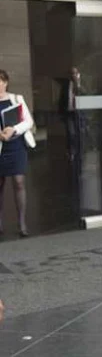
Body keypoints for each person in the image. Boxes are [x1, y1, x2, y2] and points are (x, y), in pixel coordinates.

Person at [0, 70, 34, 238]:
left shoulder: (16, 99)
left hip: (16, 144)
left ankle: (22, 223)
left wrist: (13, 129)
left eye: (1, 81)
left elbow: (28, 121)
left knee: (19, 182)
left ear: (6, 82)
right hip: (0, 146)